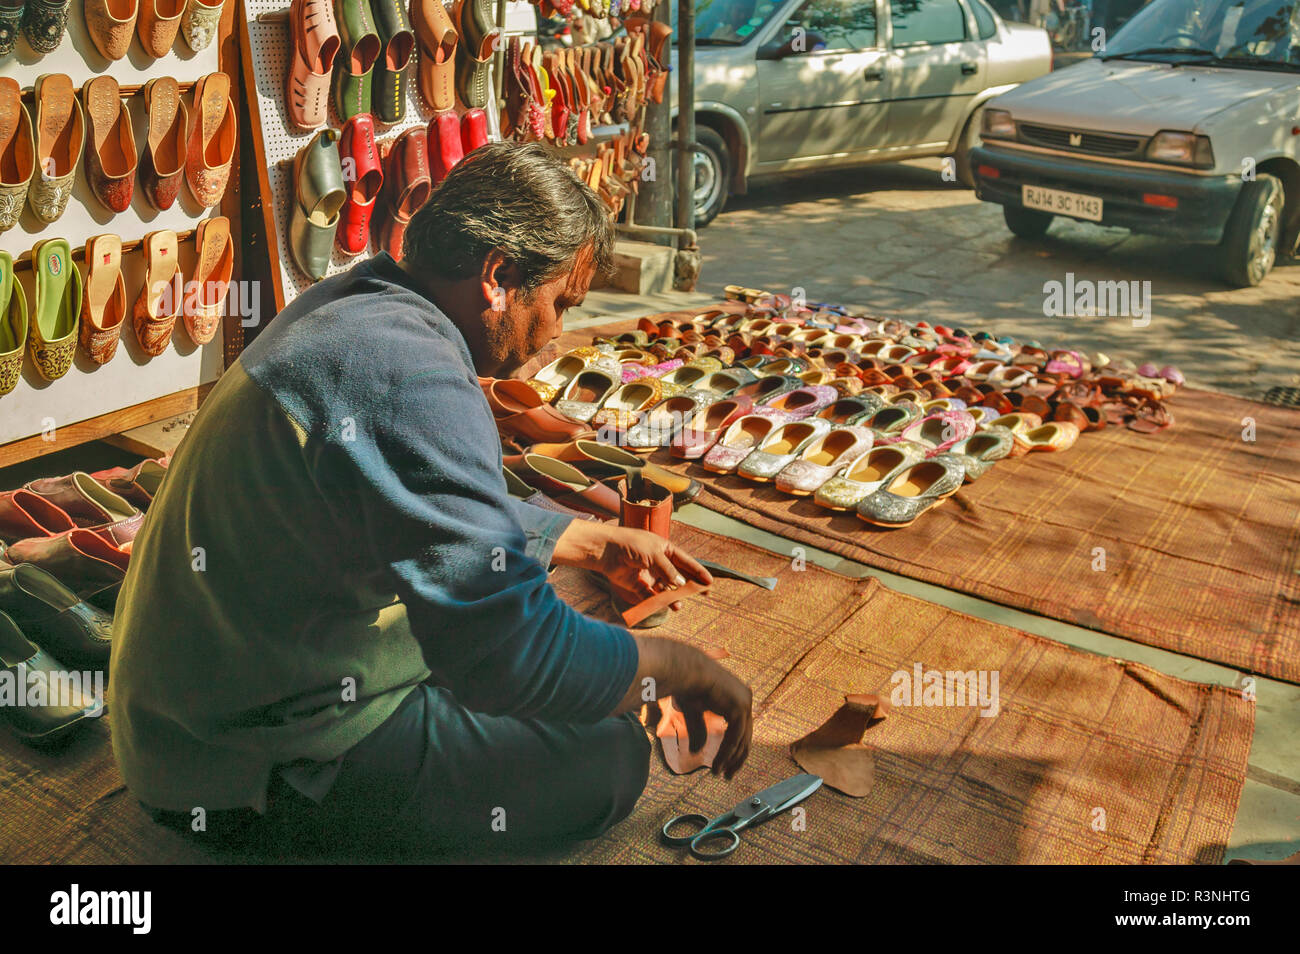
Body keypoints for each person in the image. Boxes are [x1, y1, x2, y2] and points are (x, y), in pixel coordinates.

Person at [109, 141, 753, 856]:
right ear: (499, 277)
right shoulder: (412, 375)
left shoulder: (359, 305)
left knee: (575, 677)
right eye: (559, 303)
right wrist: (670, 664)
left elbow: (404, 505)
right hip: (242, 770)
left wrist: (582, 540)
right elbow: (508, 656)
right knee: (611, 753)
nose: (559, 332)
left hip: (183, 725)